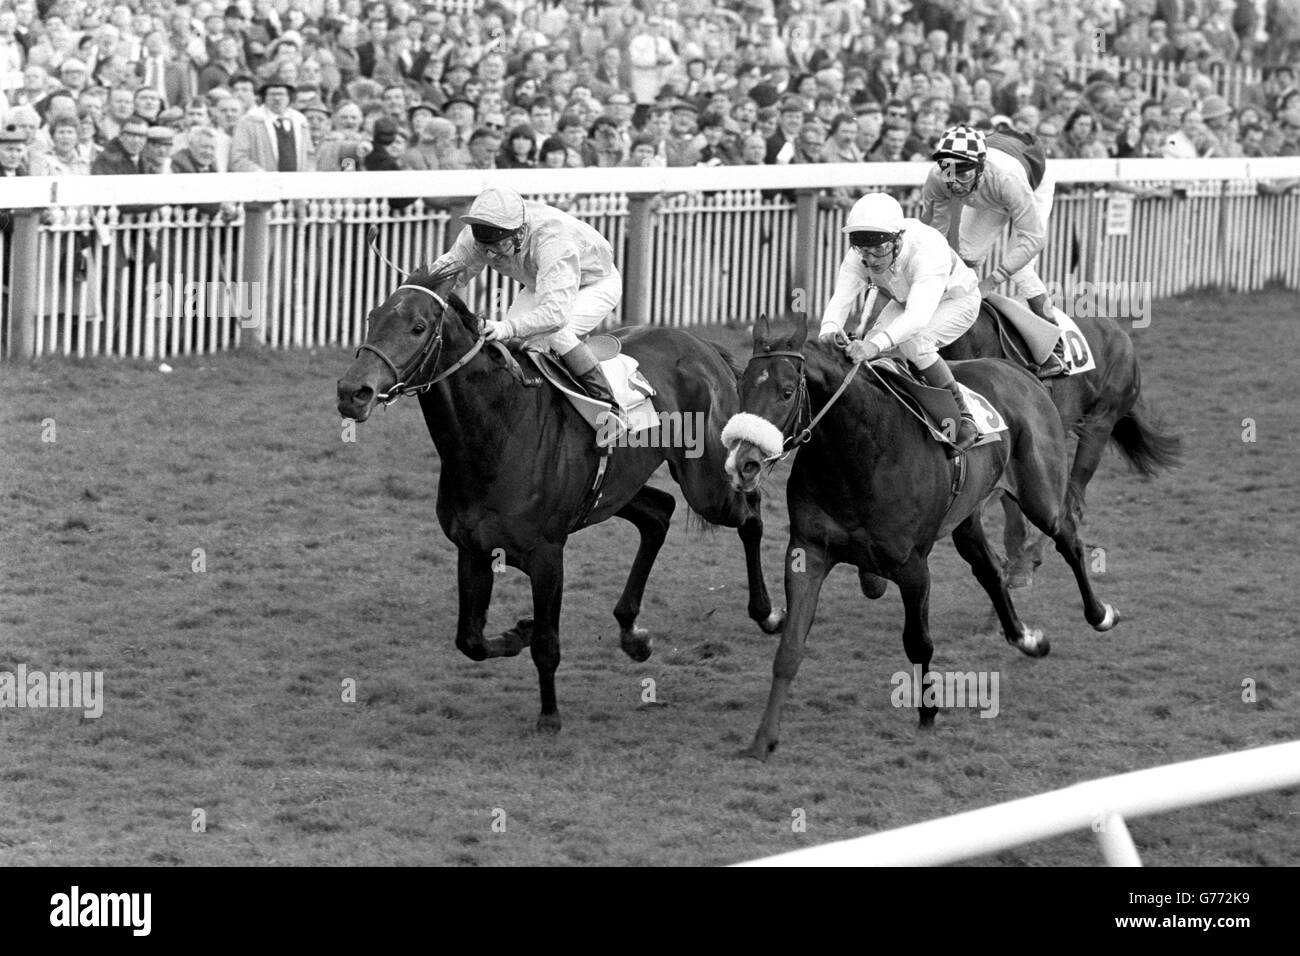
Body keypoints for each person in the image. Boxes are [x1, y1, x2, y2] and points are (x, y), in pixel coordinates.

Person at [427, 186, 626, 423]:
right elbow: (451, 268)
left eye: (499, 246)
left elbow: (554, 315)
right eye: (483, 247)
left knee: (556, 334)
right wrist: (420, 284)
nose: (490, 255)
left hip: (595, 283)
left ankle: (610, 406)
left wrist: (506, 326)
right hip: (543, 283)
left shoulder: (553, 240)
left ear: (520, 233)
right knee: (509, 344)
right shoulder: (479, 234)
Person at [817, 193, 981, 454]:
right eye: (864, 251)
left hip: (956, 300)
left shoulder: (927, 249)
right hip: (906, 301)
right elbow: (841, 299)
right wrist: (828, 331)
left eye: (880, 250)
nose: (871, 260)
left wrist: (873, 345)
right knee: (867, 356)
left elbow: (917, 318)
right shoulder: (860, 254)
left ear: (898, 238)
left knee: (915, 342)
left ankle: (964, 419)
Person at [921, 124, 1065, 376]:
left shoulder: (1007, 178)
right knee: (966, 257)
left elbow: (1033, 239)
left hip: (1030, 184)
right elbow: (934, 234)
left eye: (963, 173)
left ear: (980, 166)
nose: (954, 184)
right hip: (989, 191)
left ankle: (1053, 345)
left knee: (1022, 270)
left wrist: (992, 280)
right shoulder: (938, 178)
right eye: (949, 172)